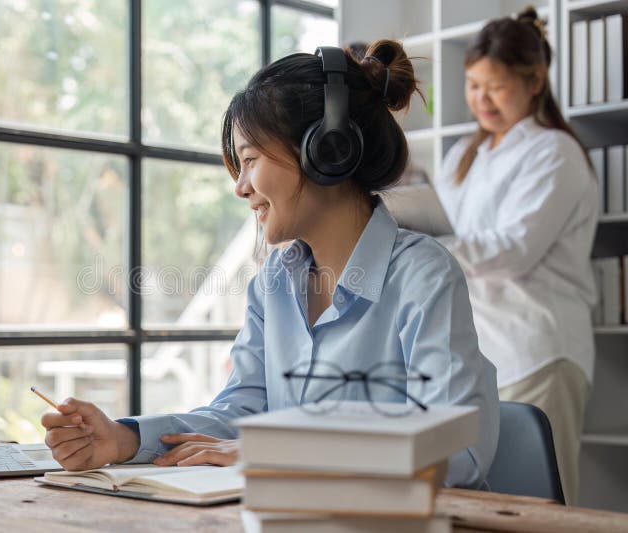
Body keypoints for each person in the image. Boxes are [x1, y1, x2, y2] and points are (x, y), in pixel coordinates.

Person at [41, 41, 499, 488]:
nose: (240, 187)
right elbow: (243, 411)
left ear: (327, 151)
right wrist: (123, 439)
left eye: (250, 160)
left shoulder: (423, 276)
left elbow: (459, 453)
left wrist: (285, 453)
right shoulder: (275, 283)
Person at [434, 7, 598, 504]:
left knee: (540, 500)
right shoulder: (464, 154)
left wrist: (432, 251)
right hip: (481, 353)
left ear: (535, 80)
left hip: (538, 351)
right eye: (472, 85)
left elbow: (514, 250)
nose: (480, 99)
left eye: (496, 86)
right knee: (482, 499)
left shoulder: (555, 153)